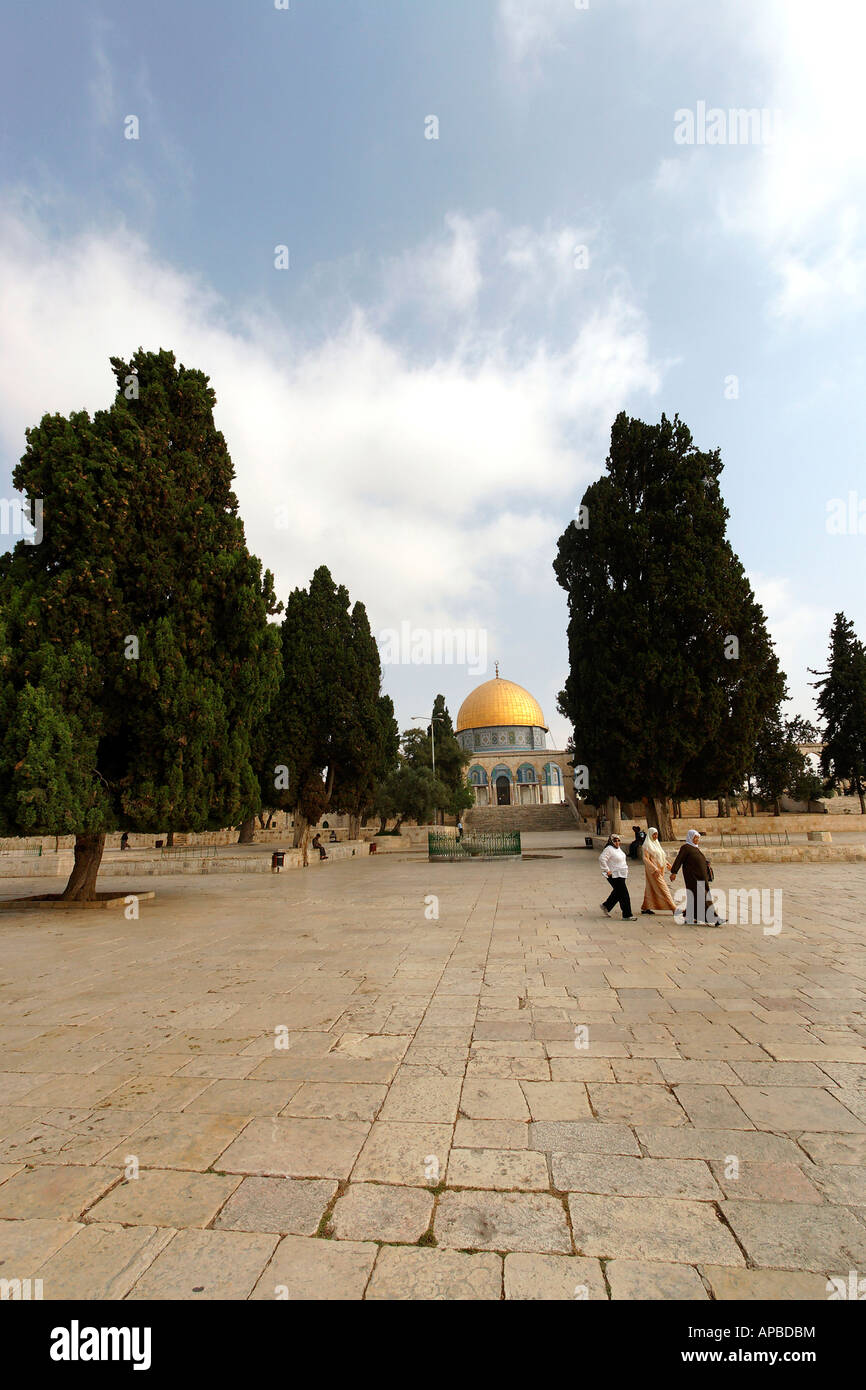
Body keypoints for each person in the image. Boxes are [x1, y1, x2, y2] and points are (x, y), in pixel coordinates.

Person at [669, 829, 723, 925]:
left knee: (694, 896)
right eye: (695, 838)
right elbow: (679, 859)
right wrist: (674, 872)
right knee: (703, 896)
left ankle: (689, 916)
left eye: (698, 838)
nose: (697, 840)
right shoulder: (686, 847)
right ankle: (714, 918)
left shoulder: (695, 848)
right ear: (690, 837)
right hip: (692, 877)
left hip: (701, 877)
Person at [599, 834, 637, 920]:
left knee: (618, 892)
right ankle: (627, 915)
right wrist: (607, 870)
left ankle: (606, 906)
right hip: (614, 875)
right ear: (611, 841)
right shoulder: (609, 849)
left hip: (621, 874)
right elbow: (602, 859)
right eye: (615, 841)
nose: (617, 843)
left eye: (618, 841)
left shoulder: (618, 849)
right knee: (624, 894)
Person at [641, 827, 676, 914]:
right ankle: (674, 908)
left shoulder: (656, 844)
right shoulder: (646, 845)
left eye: (656, 834)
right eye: (654, 834)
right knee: (664, 888)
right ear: (650, 835)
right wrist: (654, 868)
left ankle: (646, 906)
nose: (656, 836)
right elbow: (646, 859)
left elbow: (661, 857)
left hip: (660, 870)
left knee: (650, 887)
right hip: (653, 871)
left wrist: (668, 865)